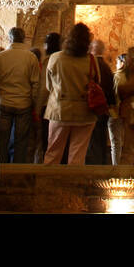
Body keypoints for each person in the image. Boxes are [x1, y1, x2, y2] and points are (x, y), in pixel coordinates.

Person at [43, 23, 98, 165]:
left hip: (60, 109)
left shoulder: (55, 58)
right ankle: (74, 185)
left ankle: (47, 184)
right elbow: (98, 82)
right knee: (77, 156)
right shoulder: (91, 60)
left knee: (53, 154)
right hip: (84, 111)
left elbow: (49, 86)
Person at [0, 27, 40, 163]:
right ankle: (17, 172)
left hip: (4, 102)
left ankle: (0, 171)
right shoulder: (31, 57)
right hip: (24, 104)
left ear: (10, 38)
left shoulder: (0, 57)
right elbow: (35, 84)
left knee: (1, 140)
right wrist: (33, 102)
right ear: (23, 39)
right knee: (21, 142)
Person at [85, 39, 117, 165]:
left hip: (93, 107)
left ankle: (94, 164)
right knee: (101, 137)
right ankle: (101, 162)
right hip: (103, 108)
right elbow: (111, 88)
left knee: (93, 139)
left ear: (92, 48)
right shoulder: (105, 67)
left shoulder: (92, 65)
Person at [35, 32, 61, 163]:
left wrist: (37, 108)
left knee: (48, 142)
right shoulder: (64, 58)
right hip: (62, 106)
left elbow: (44, 88)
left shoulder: (50, 60)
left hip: (49, 107)